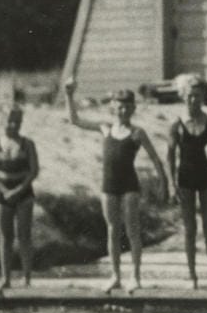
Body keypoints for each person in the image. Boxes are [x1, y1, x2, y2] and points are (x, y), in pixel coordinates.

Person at [64, 79, 171, 293]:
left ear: (132, 109)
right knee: (112, 230)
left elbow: (156, 159)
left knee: (132, 230)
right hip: (109, 185)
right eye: (119, 106)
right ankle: (115, 276)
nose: (122, 110)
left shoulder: (137, 133)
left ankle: (136, 276)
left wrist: (164, 184)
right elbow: (75, 120)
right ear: (114, 107)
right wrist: (69, 95)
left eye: (126, 107)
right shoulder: (106, 128)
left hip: (129, 185)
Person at [166, 77, 207, 289]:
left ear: (203, 98)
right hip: (186, 179)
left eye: (197, 96)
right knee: (190, 229)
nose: (193, 100)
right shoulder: (177, 125)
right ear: (184, 97)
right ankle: (192, 277)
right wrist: (172, 184)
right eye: (190, 96)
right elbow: (170, 156)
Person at [0, 102, 40, 293]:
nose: (14, 125)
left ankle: (27, 279)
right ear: (3, 121)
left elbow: (34, 171)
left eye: (17, 121)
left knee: (24, 236)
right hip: (3, 194)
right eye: (10, 121)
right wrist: (4, 191)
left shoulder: (28, 143)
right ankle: (5, 278)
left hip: (24, 193)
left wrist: (18, 190)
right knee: (5, 237)